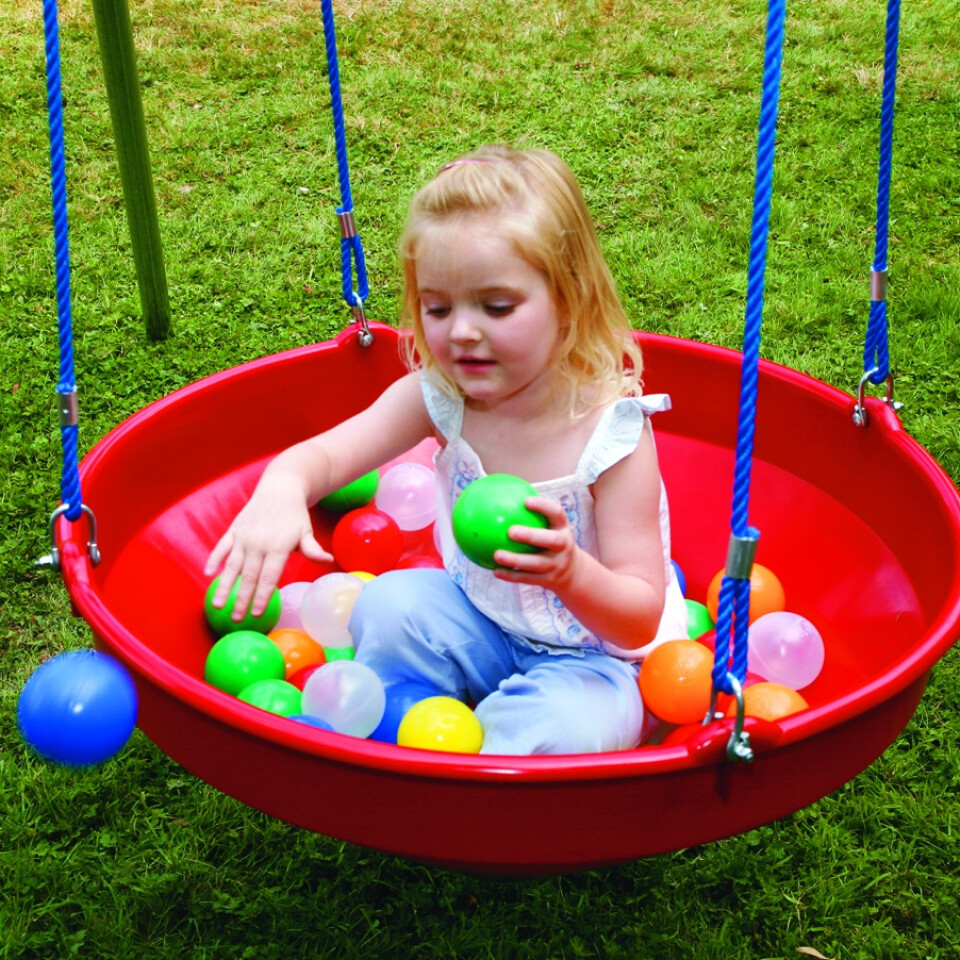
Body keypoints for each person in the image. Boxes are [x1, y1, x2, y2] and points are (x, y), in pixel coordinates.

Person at [205, 145, 687, 755]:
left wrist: (570, 572)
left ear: (569, 300)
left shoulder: (610, 436)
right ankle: (401, 737)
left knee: (569, 727)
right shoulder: (438, 397)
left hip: (597, 660)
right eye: (438, 306)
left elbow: (640, 614)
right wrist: (283, 485)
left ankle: (479, 763)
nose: (461, 330)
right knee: (386, 604)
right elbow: (324, 458)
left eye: (496, 306)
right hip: (480, 621)